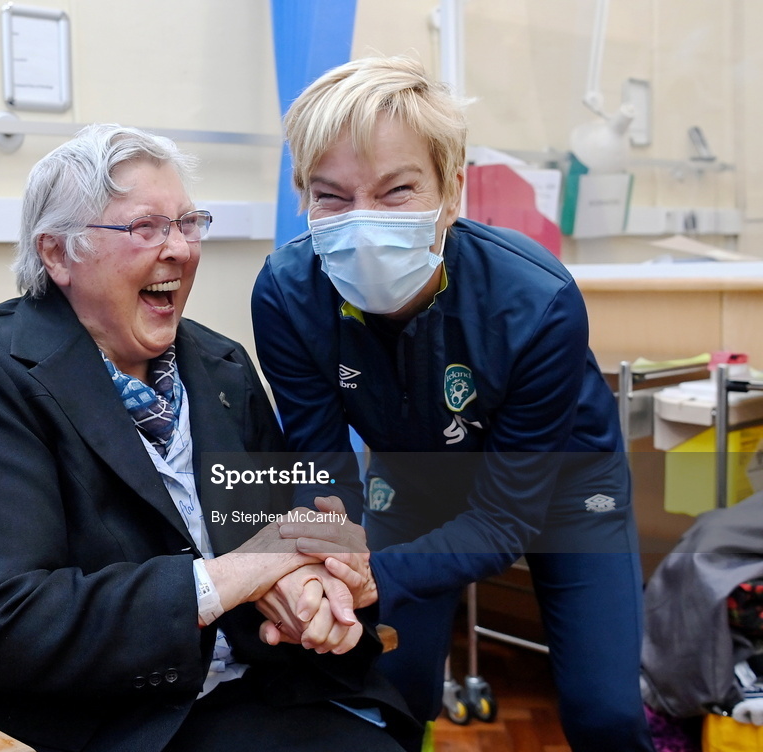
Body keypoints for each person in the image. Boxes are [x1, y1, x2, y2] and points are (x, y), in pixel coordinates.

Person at [0, 124, 419, 752]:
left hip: (237, 685)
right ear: (57, 254)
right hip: (79, 719)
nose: (180, 249)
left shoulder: (221, 367)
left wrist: (325, 590)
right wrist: (252, 568)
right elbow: (10, 622)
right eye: (146, 228)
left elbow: (281, 525)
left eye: (188, 223)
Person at [251, 56, 656, 751]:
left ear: (450, 192)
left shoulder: (536, 302)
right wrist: (328, 559)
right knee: (393, 690)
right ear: (303, 200)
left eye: (397, 189)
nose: (364, 221)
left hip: (565, 484)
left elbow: (503, 518)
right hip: (417, 480)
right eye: (332, 196)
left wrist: (372, 574)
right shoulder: (287, 296)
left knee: (607, 714)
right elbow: (323, 469)